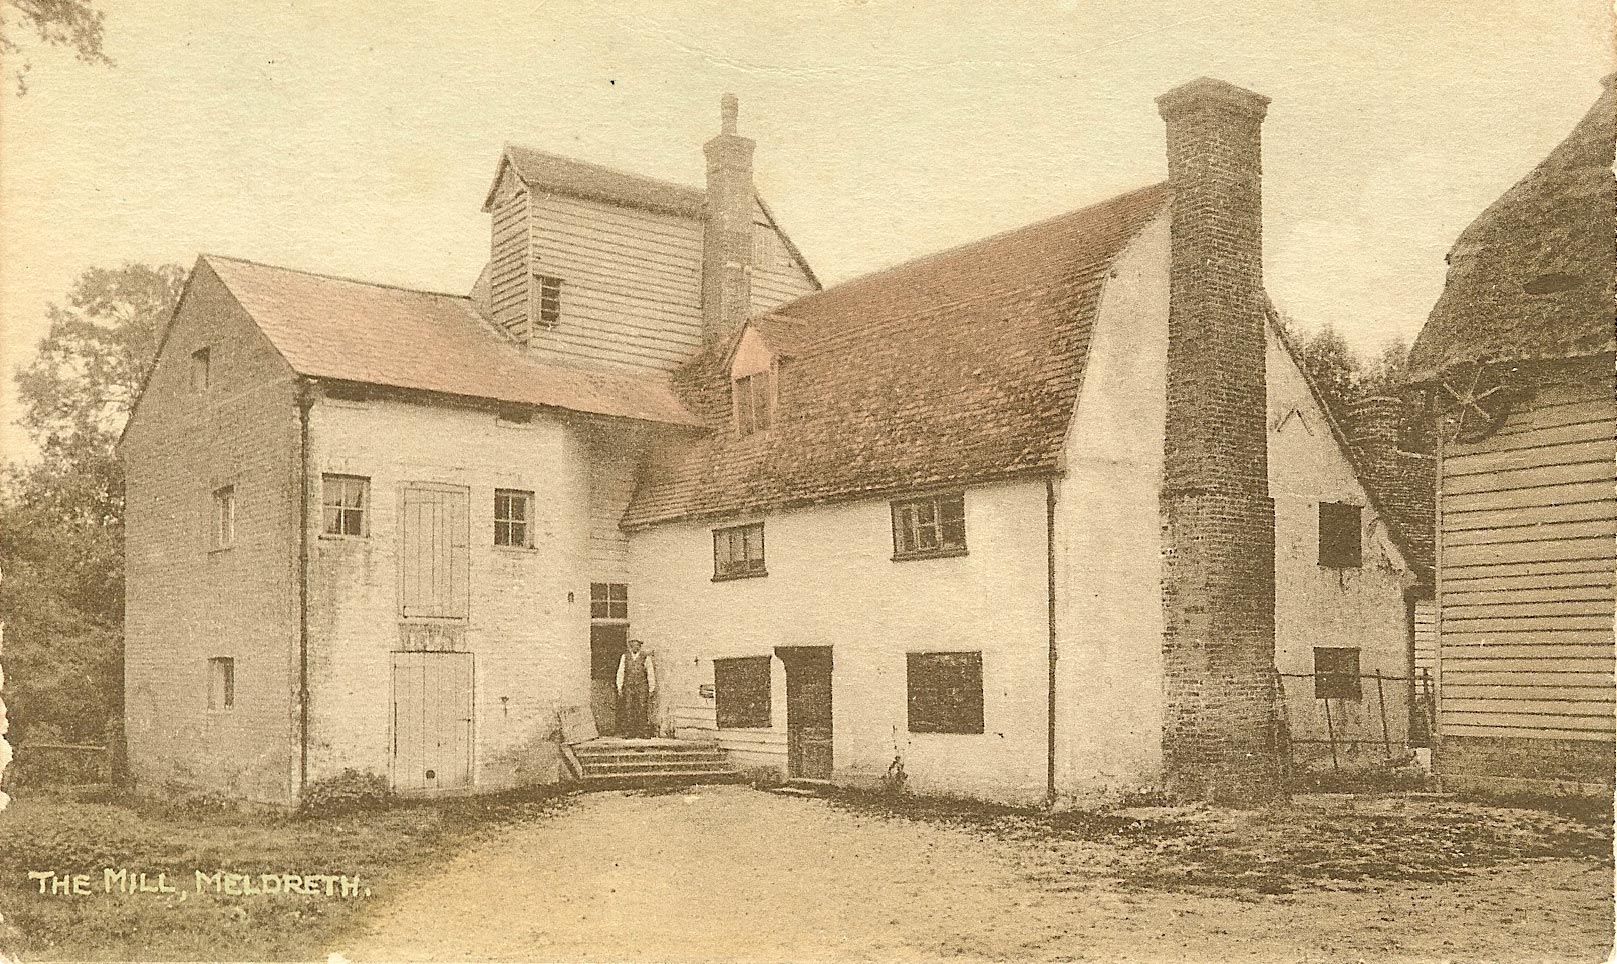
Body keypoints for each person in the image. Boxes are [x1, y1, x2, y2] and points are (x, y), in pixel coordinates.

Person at [615, 638, 657, 739]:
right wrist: (619, 686)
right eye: (633, 645)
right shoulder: (625, 657)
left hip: (642, 686)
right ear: (630, 647)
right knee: (629, 707)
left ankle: (643, 731)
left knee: (642, 708)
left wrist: (651, 688)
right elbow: (621, 671)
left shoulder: (645, 657)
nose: (635, 647)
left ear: (640, 646)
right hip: (629, 686)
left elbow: (650, 673)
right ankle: (630, 732)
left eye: (637, 645)